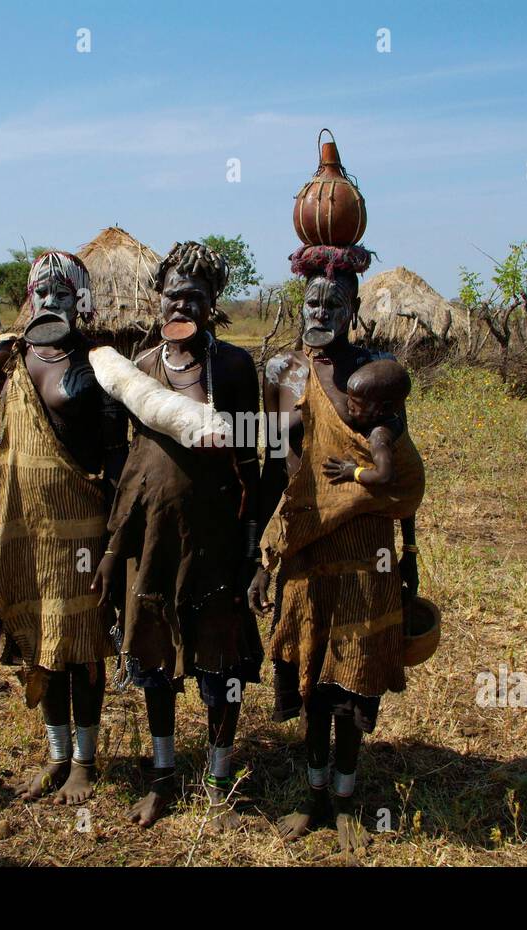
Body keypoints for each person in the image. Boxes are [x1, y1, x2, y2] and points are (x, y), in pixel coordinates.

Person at [249, 244, 424, 854]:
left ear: (354, 308)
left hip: (366, 545)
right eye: (311, 301)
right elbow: (275, 467)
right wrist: (261, 549)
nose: (319, 311)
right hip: (306, 545)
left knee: (356, 680)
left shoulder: (374, 377)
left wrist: (409, 554)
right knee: (311, 677)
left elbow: (399, 470)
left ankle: (347, 799)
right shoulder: (284, 375)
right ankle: (314, 794)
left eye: (333, 302)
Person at [90, 241, 262, 831]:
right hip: (154, 539)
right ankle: (163, 777)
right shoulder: (136, 370)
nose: (181, 303)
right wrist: (116, 546)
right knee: (155, 658)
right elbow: (125, 465)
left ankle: (219, 782)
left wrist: (251, 549)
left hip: (217, 540)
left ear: (214, 304)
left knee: (222, 664)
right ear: (156, 300)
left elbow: (251, 463)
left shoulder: (236, 369)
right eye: (172, 294)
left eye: (195, 295)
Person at [0, 250, 127, 806]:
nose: (51, 300)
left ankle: (85, 763)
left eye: (64, 292)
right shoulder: (10, 354)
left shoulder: (97, 361)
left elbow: (116, 452)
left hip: (82, 524)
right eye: (43, 290)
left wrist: (117, 534)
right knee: (42, 642)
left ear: (81, 300)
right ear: (30, 294)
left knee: (82, 642)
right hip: (26, 524)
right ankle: (57, 755)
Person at [321, 359, 413, 491]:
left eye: (357, 402)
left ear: (384, 408)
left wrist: (353, 472)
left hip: (397, 497)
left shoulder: (379, 436)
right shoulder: (390, 418)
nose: (349, 405)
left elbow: (384, 476)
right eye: (349, 398)